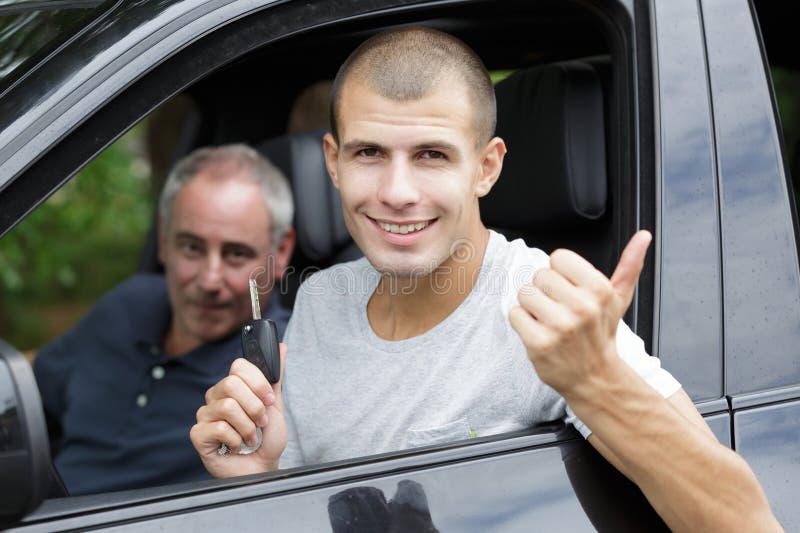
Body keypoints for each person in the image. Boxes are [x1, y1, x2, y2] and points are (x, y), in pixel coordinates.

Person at [190, 29, 781, 531]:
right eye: (370, 152)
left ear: (487, 167)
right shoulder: (320, 300)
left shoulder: (547, 307)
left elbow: (748, 523)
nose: (397, 193)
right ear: (333, 162)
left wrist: (598, 381)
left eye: (432, 155)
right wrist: (258, 481)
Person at [33, 144, 295, 495]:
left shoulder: (288, 360)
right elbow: (27, 388)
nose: (209, 280)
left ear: (280, 252)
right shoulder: (128, 303)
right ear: (162, 239)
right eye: (191, 247)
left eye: (235, 254)